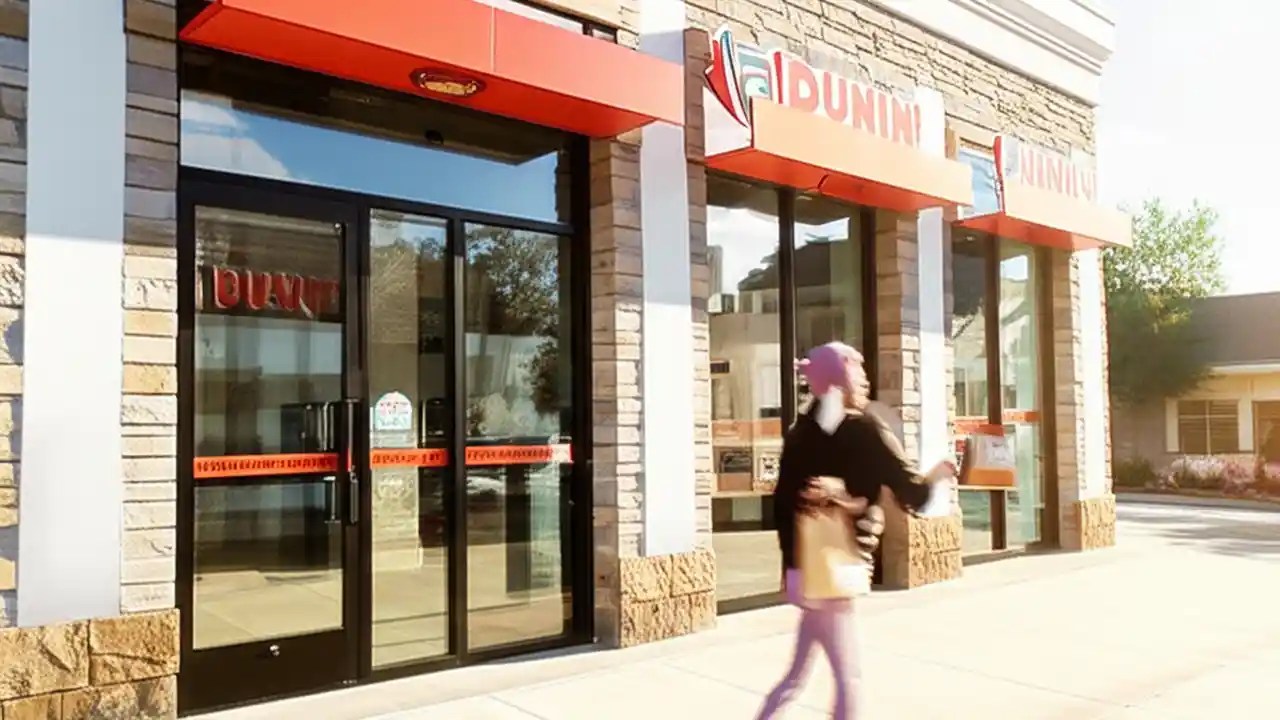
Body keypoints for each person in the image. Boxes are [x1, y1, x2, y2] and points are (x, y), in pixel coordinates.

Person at [755, 341, 956, 720]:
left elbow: (783, 506)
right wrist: (939, 475)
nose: (865, 379)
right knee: (849, 678)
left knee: (798, 675)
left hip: (812, 568)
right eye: (859, 369)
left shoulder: (801, 434)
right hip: (837, 569)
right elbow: (912, 493)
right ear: (844, 374)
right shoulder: (866, 430)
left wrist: (792, 569)